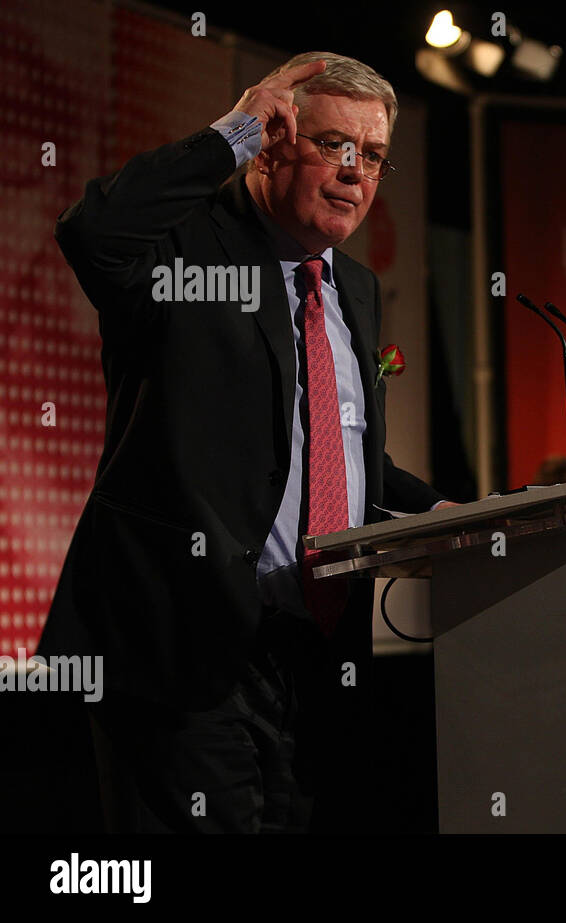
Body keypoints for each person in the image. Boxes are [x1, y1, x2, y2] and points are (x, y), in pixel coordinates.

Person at [39, 52, 454, 833]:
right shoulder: (186, 248)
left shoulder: (354, 288)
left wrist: (444, 508)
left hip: (309, 658)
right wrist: (230, 131)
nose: (354, 172)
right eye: (332, 145)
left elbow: (336, 448)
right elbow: (90, 231)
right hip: (180, 647)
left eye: (370, 155)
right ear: (272, 143)